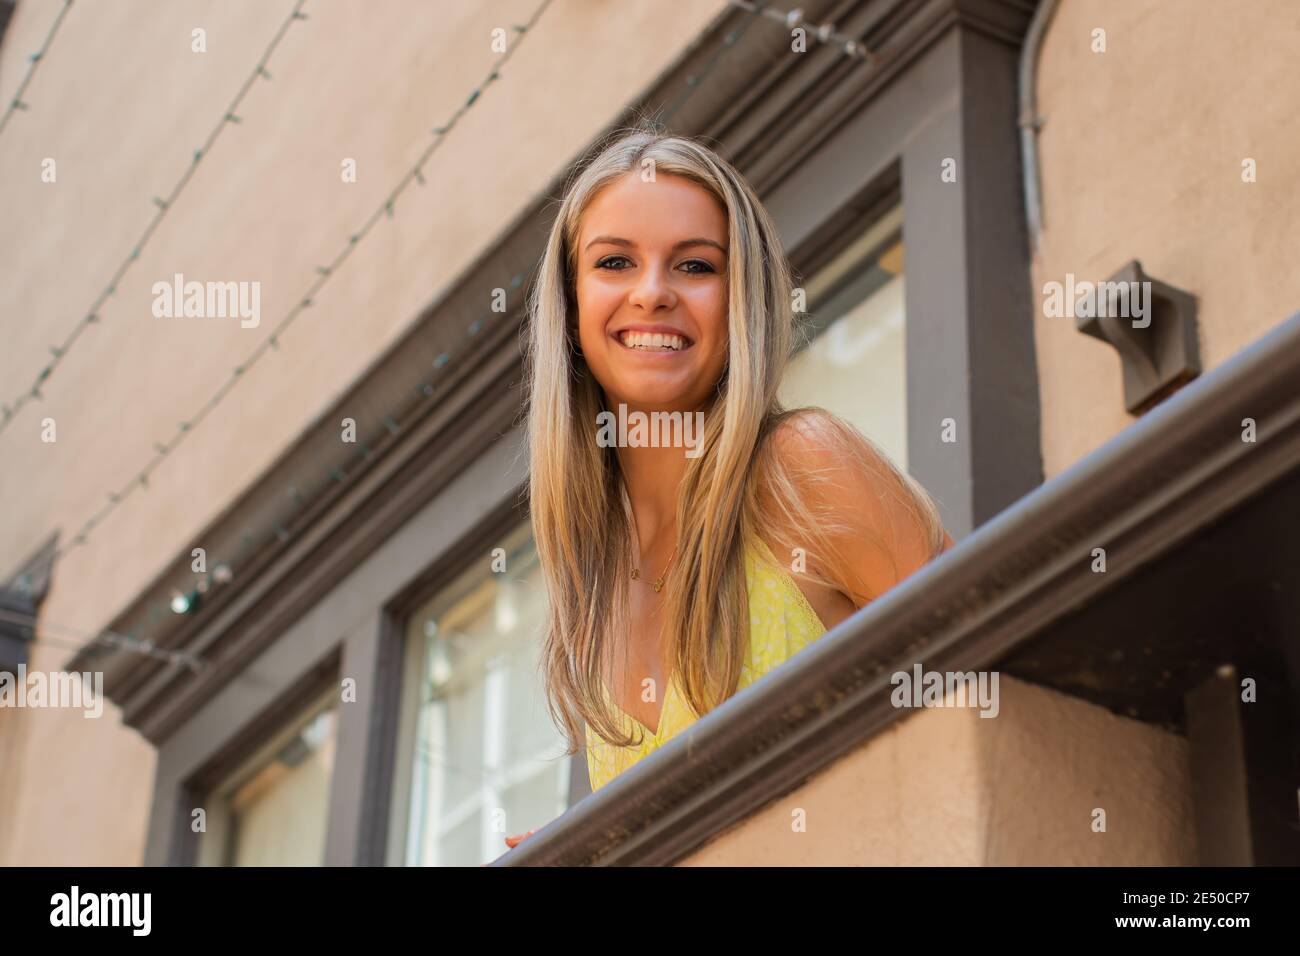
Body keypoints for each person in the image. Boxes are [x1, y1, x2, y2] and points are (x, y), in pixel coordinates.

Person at [507, 119, 953, 850]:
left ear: (739, 298)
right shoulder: (595, 592)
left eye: (695, 266)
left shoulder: (800, 469)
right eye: (615, 262)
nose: (652, 294)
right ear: (571, 305)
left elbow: (996, 687)